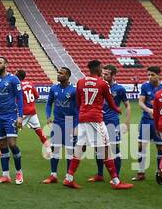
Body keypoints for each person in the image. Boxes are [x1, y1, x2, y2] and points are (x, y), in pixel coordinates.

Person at [60, 60, 132, 190]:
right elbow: (110, 102)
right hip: (95, 118)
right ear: (98, 68)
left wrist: (83, 110)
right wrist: (117, 109)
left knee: (79, 147)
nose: (102, 70)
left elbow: (78, 102)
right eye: (101, 68)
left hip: (83, 117)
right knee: (106, 148)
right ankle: (116, 181)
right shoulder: (102, 83)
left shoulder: (80, 82)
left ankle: (68, 178)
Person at [95, 64, 130, 182]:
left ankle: (117, 176)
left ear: (114, 75)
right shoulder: (99, 85)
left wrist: (127, 122)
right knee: (99, 148)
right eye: (103, 73)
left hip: (112, 122)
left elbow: (127, 106)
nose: (104, 76)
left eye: (107, 74)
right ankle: (100, 174)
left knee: (115, 148)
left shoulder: (119, 89)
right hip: (99, 121)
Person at [43, 67, 77, 184]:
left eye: (61, 73)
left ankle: (68, 176)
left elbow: (78, 109)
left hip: (69, 122)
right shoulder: (54, 88)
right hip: (57, 122)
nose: (58, 75)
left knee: (69, 151)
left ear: (67, 76)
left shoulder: (74, 90)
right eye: (58, 73)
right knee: (54, 149)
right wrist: (48, 116)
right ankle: (53, 175)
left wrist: (76, 125)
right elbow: (48, 104)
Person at [132, 66, 162, 181]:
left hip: (159, 122)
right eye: (148, 75)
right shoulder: (145, 86)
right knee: (141, 146)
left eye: (152, 75)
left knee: (160, 146)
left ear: (158, 75)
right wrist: (149, 110)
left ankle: (159, 172)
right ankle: (141, 172)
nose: (150, 77)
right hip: (146, 120)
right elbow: (140, 102)